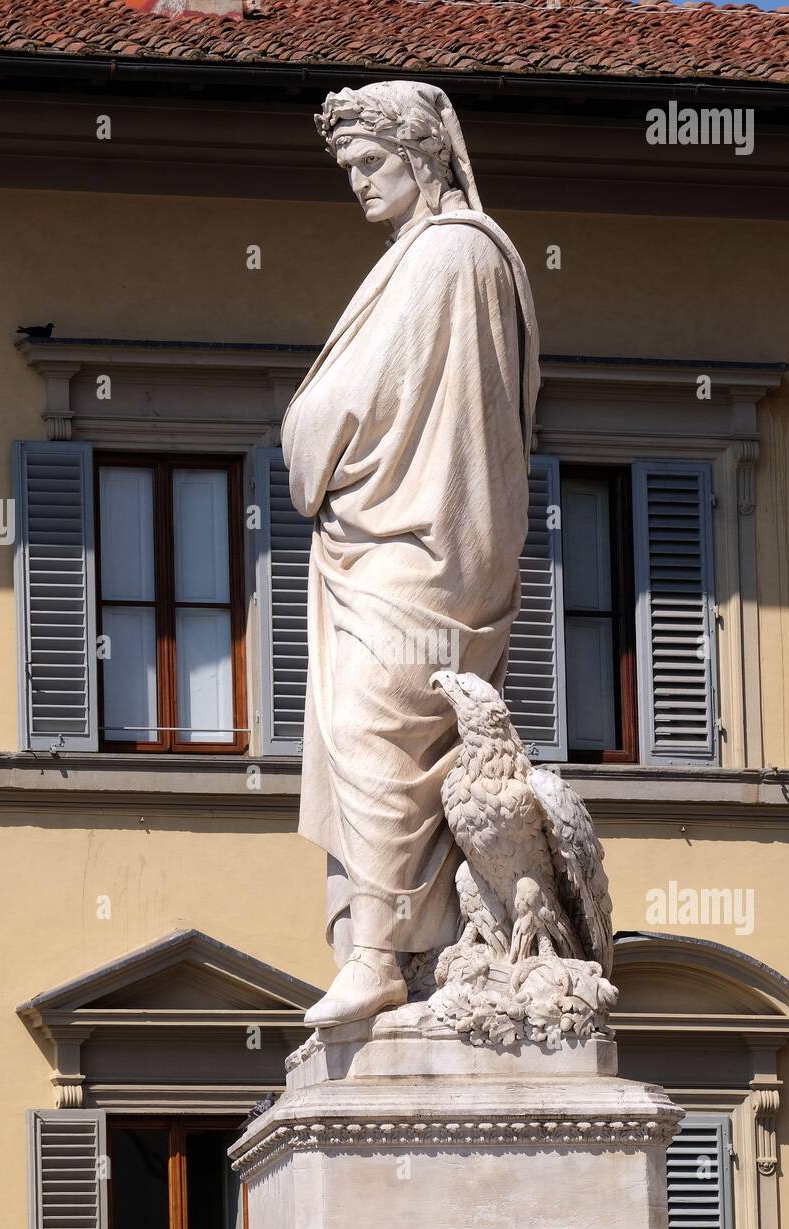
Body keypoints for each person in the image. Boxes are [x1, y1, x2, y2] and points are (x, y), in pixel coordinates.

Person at [282, 81, 540, 1027]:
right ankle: (395, 950)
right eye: (347, 168)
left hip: (423, 551)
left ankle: (383, 954)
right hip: (393, 542)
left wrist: (307, 430)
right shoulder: (424, 259)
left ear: (424, 158)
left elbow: (365, 400)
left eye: (371, 164)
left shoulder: (451, 255)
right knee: (369, 739)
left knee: (372, 727)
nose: (356, 184)